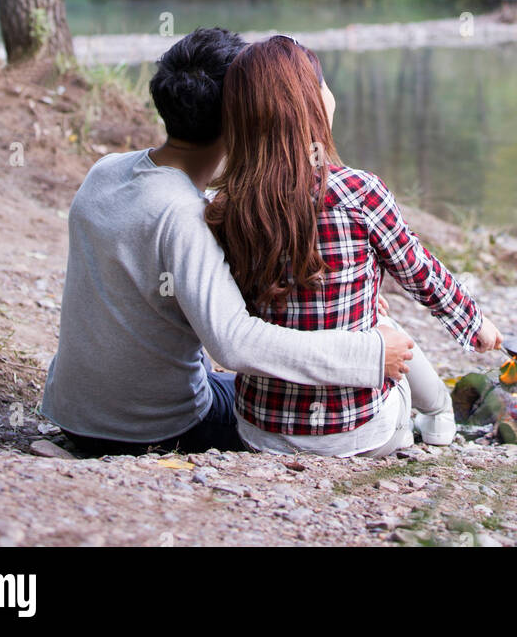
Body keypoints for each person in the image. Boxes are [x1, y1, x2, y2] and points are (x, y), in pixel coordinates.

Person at [42, 28, 414, 456]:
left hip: (74, 411)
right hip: (152, 427)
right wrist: (369, 354)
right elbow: (235, 342)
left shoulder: (104, 171)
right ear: (243, 117)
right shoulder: (187, 217)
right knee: (271, 403)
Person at [205, 35, 504, 457]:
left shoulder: (227, 207)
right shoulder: (359, 192)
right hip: (362, 432)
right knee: (385, 329)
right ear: (312, 104)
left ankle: (435, 414)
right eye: (324, 87)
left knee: (374, 314)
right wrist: (475, 324)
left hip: (261, 433)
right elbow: (420, 273)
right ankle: (438, 419)